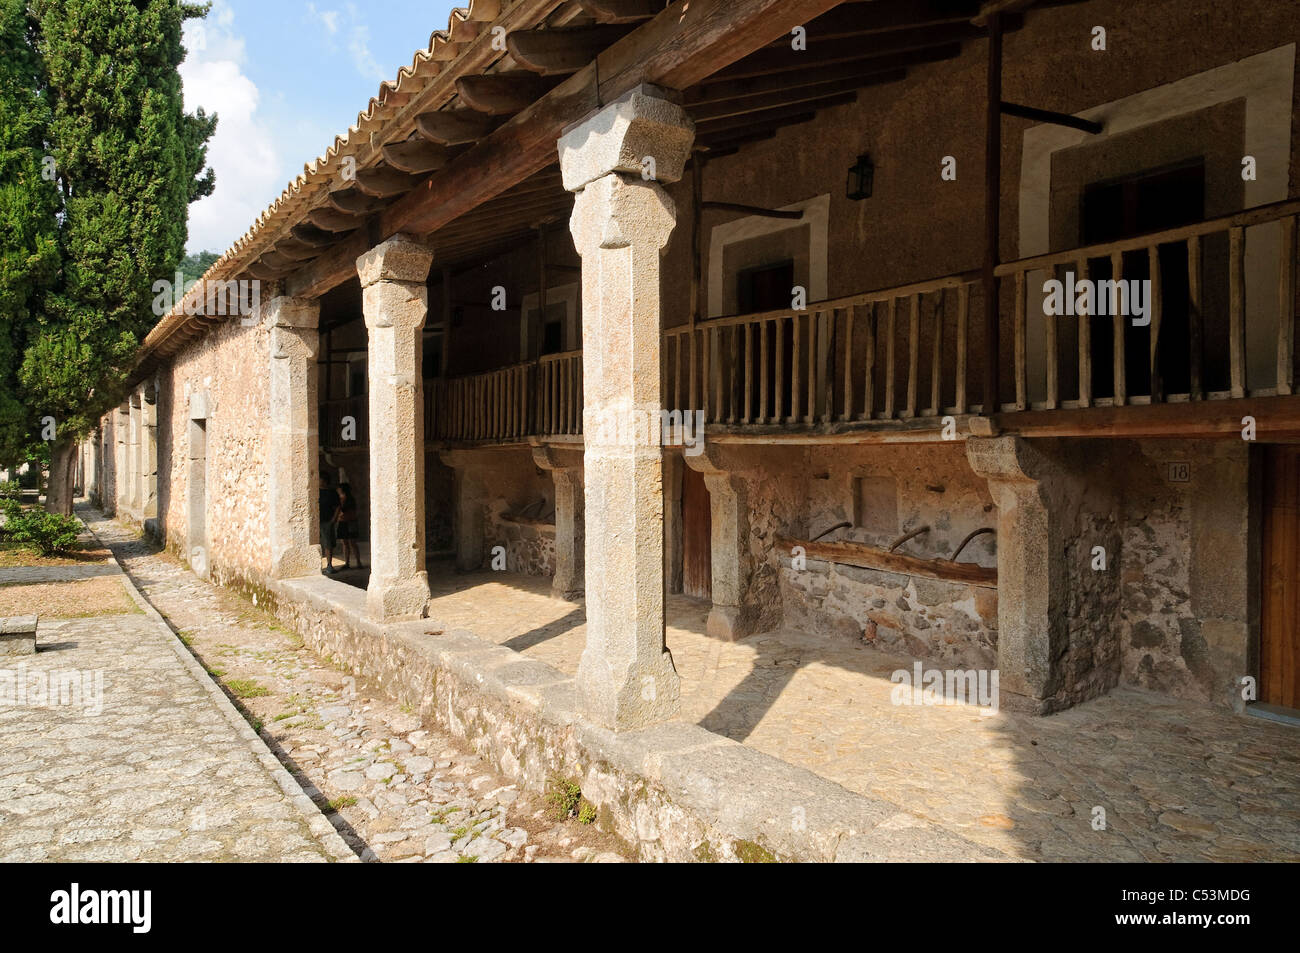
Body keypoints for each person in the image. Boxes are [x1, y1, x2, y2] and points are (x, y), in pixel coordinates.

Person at [335, 483, 362, 570]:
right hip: (346, 521)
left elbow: (343, 509)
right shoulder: (346, 499)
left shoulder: (346, 499)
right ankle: (350, 562)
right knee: (347, 543)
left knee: (351, 543)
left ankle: (355, 562)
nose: (337, 490)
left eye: (339, 489)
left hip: (349, 522)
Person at [320, 471, 340, 575]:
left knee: (328, 543)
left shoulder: (332, 493)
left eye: (320, 479)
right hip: (316, 521)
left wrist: (334, 519)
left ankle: (329, 565)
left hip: (327, 520)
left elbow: (337, 506)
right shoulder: (315, 491)